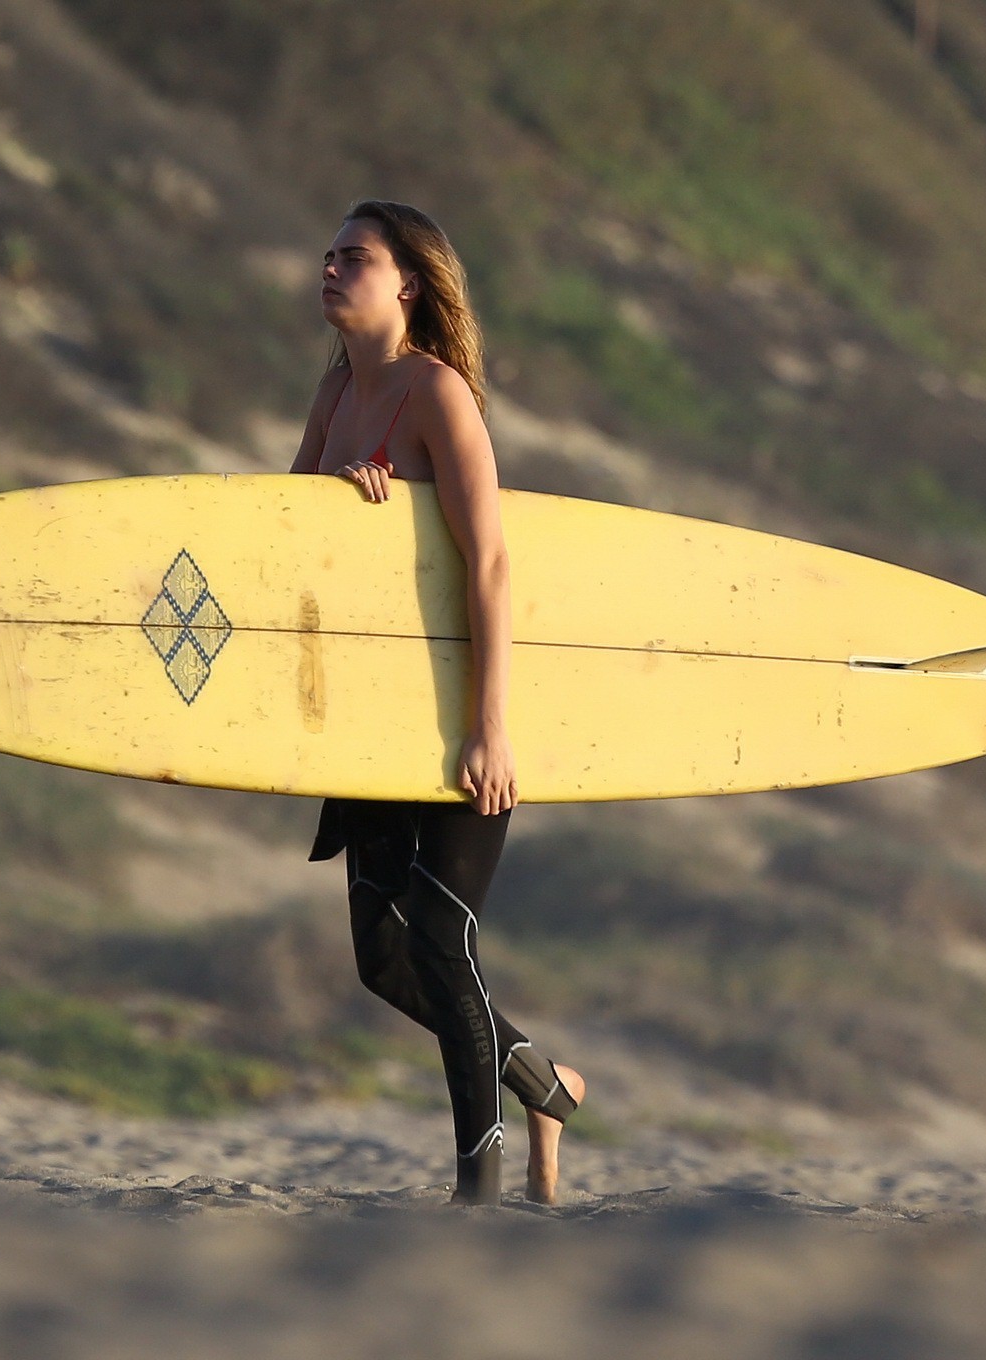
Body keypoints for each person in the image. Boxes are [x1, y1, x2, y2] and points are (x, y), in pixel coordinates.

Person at [289, 200, 585, 1207]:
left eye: (353, 258)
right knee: (380, 958)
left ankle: (480, 1187)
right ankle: (545, 1089)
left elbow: (489, 561)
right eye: (327, 255)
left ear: (406, 283)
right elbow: (282, 535)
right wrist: (347, 498)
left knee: (438, 939)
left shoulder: (434, 392)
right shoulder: (338, 397)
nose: (330, 268)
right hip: (375, 717)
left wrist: (490, 726)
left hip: (463, 706)